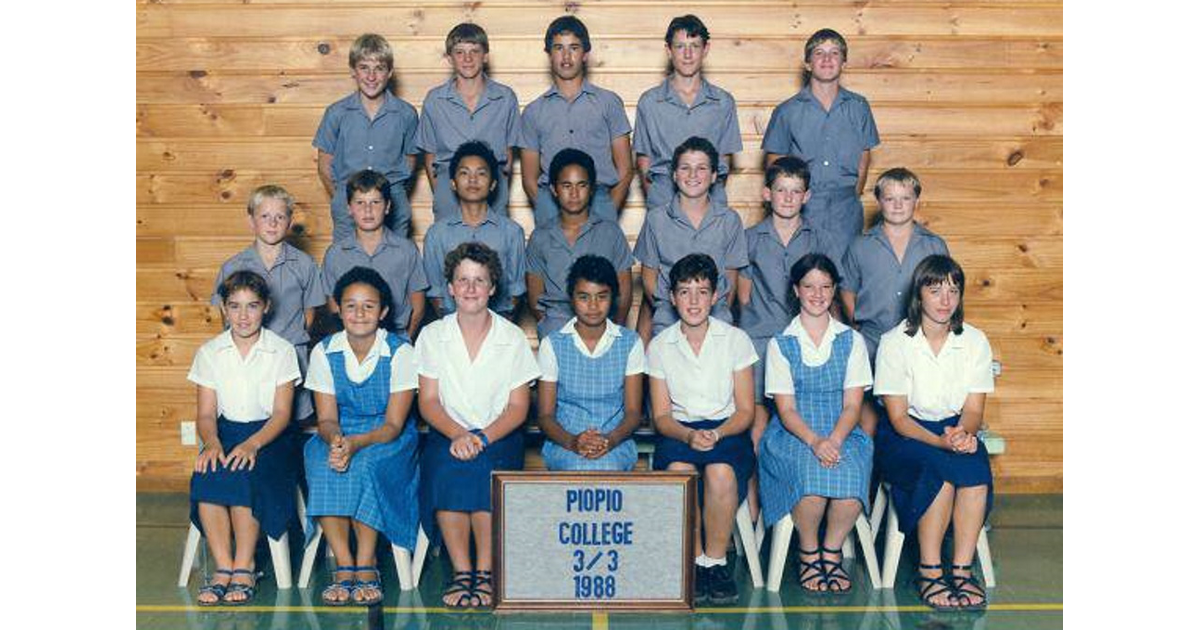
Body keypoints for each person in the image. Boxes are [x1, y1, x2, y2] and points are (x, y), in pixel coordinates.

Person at [415, 242, 541, 608]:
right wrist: (458, 435)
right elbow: (429, 401)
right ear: (450, 288)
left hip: (498, 435)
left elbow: (519, 407)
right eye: (463, 280)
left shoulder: (513, 338)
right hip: (448, 433)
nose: (471, 288)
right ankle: (462, 572)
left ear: (493, 288)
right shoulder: (432, 336)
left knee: (487, 470)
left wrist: (481, 437)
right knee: (447, 468)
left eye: (479, 280)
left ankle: (486, 573)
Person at [873, 254, 994, 612]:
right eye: (936, 289)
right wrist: (941, 442)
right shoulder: (895, 341)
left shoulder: (973, 340)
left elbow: (973, 409)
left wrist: (963, 434)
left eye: (953, 291)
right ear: (919, 294)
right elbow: (898, 418)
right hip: (906, 434)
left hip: (954, 426)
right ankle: (928, 569)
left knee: (974, 469)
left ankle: (960, 569)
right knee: (936, 471)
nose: (945, 300)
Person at [303, 267, 421, 607]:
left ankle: (366, 562)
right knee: (324, 463)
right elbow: (326, 418)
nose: (359, 313)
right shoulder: (324, 352)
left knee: (365, 465)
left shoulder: (400, 352)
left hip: (387, 437)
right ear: (338, 308)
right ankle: (344, 563)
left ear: (383, 312)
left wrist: (355, 445)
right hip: (340, 431)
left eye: (369, 306)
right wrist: (337, 440)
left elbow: (394, 425)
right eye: (350, 305)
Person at [756, 254, 873, 593]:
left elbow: (853, 404)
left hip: (842, 428)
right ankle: (808, 551)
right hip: (795, 432)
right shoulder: (781, 343)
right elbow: (787, 410)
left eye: (825, 286)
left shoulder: (851, 341)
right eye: (809, 286)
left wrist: (834, 439)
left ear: (835, 290)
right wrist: (816, 442)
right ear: (796, 290)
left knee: (851, 472)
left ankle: (832, 552)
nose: (817, 294)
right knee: (810, 475)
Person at [646, 253, 757, 606]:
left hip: (726, 429)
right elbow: (661, 416)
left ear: (716, 296)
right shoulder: (660, 345)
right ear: (672, 297)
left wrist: (718, 434)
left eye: (702, 292)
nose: (693, 301)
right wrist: (688, 435)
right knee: (680, 471)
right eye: (684, 292)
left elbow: (745, 411)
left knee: (721, 473)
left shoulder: (736, 340)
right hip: (679, 431)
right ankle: (693, 563)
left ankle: (715, 561)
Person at [189, 271, 301, 606]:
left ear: (266, 307)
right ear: (223, 309)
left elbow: (282, 414)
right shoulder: (210, 352)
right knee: (208, 472)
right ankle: (223, 566)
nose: (243, 316)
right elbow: (206, 414)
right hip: (224, 432)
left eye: (252, 306)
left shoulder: (281, 351)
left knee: (244, 472)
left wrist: (253, 444)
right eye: (234, 306)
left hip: (270, 436)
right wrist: (211, 442)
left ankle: (245, 564)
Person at [737, 157, 830, 526]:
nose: (787, 198)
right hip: (761, 339)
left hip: (803, 339)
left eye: (795, 191)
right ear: (766, 194)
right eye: (780, 190)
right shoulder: (751, 238)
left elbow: (825, 295)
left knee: (799, 422)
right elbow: (742, 297)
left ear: (805, 196)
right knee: (759, 426)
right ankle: (759, 514)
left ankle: (800, 511)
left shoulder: (818, 239)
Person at [841, 168, 949, 436]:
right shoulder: (860, 245)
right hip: (872, 340)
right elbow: (847, 288)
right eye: (890, 199)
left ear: (917, 201)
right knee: (868, 418)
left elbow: (947, 291)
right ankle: (871, 473)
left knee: (910, 413)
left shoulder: (934, 245)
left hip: (918, 340)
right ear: (879, 202)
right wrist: (857, 321)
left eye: (905, 198)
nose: (898, 205)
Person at [761, 28, 880, 263]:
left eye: (834, 53)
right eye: (819, 53)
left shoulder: (858, 107)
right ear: (807, 64)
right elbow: (774, 164)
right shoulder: (787, 111)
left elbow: (863, 158)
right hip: (802, 206)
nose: (827, 59)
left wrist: (849, 196)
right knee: (801, 271)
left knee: (844, 276)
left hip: (845, 207)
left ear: (844, 63)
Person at [210, 185, 325, 422]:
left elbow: (310, 314)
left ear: (289, 221)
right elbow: (226, 318)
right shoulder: (233, 267)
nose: (272, 223)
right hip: (248, 358)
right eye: (265, 216)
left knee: (290, 425)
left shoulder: (304, 265)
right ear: (251, 220)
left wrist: (289, 344)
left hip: (291, 355)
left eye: (280, 217)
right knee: (248, 416)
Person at [518, 15, 634, 227]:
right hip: (552, 202)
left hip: (599, 198)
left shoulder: (609, 103)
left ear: (585, 54)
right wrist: (546, 209)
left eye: (573, 47)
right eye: (558, 48)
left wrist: (608, 210)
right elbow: (528, 178)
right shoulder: (533, 112)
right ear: (549, 54)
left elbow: (626, 169)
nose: (566, 56)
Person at [634, 136, 748, 342]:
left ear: (714, 175)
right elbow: (649, 277)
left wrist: (709, 312)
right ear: (675, 175)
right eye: (685, 168)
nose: (693, 175)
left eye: (702, 168)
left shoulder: (730, 220)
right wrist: (670, 307)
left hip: (716, 322)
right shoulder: (656, 219)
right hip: (668, 322)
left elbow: (730, 281)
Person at [537, 255, 645, 471]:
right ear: (571, 298)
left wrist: (610, 440)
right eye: (584, 297)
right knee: (577, 467)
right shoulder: (553, 344)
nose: (593, 306)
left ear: (612, 298)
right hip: (565, 442)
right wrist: (573, 442)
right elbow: (545, 416)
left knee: (608, 467)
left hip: (616, 441)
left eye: (601, 297)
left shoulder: (630, 342)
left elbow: (633, 412)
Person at [314, 33, 420, 240]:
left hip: (393, 203)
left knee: (394, 263)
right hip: (349, 205)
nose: (371, 76)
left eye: (379, 68)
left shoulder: (406, 114)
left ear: (389, 72)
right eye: (364, 68)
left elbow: (410, 162)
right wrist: (341, 199)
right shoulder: (337, 113)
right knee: (348, 264)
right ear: (353, 70)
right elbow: (325, 166)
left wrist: (394, 195)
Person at [633, 14, 741, 210]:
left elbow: (724, 160)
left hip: (710, 201)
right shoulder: (649, 102)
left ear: (705, 49)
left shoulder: (723, 102)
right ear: (668, 50)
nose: (688, 54)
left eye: (695, 46)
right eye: (680, 46)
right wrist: (659, 201)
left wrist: (705, 196)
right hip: (664, 199)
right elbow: (644, 161)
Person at [526, 149, 634, 338]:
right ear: (554, 189)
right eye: (566, 185)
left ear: (591, 188)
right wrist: (550, 329)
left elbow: (623, 295)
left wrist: (614, 333)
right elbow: (535, 297)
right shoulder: (540, 237)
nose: (574, 193)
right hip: (556, 326)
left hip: (602, 327)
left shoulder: (611, 232)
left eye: (581, 185)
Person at [417, 23, 521, 219]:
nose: (467, 59)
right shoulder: (435, 100)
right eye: (459, 52)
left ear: (486, 56)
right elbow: (430, 156)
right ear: (449, 58)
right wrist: (442, 192)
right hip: (449, 189)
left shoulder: (505, 98)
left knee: (493, 245)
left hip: (492, 186)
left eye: (475, 51)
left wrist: (498, 188)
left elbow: (508, 156)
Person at [421, 141, 527, 320]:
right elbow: (436, 293)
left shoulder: (512, 232)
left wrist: (499, 329)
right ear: (453, 183)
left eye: (481, 173)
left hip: (498, 326)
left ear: (493, 183)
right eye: (464, 173)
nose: (472, 180)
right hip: (451, 325)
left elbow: (516, 291)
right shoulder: (436, 234)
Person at [321, 170, 428, 339]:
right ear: (349, 208)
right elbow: (333, 306)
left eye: (375, 202)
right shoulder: (336, 254)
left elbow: (418, 304)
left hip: (396, 337)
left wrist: (404, 341)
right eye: (360, 203)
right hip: (351, 339)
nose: (368, 210)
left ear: (387, 207)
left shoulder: (406, 250)